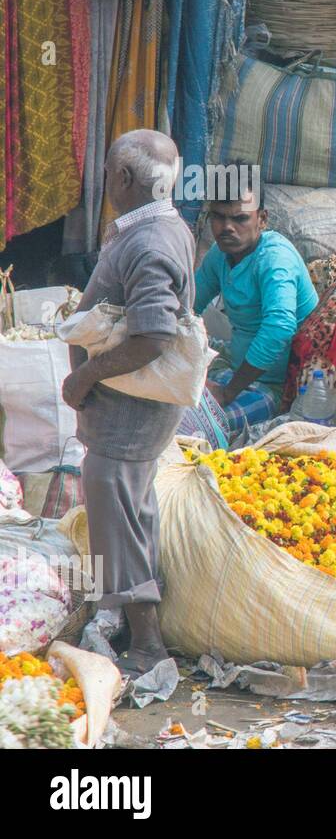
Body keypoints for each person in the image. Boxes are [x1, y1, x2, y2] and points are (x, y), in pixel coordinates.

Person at [61, 130, 194, 677]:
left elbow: (153, 334)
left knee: (117, 516)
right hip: (130, 413)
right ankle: (123, 619)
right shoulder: (160, 227)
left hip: (127, 413)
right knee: (132, 510)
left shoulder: (150, 242)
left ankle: (147, 644)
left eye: (109, 173)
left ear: (122, 180)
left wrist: (86, 376)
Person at [192, 185, 318, 436]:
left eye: (240, 218)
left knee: (195, 426)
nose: (227, 227)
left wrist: (227, 393)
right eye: (218, 217)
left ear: (262, 219)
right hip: (235, 370)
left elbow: (278, 329)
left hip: (276, 388)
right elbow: (188, 304)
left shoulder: (275, 259)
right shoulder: (220, 254)